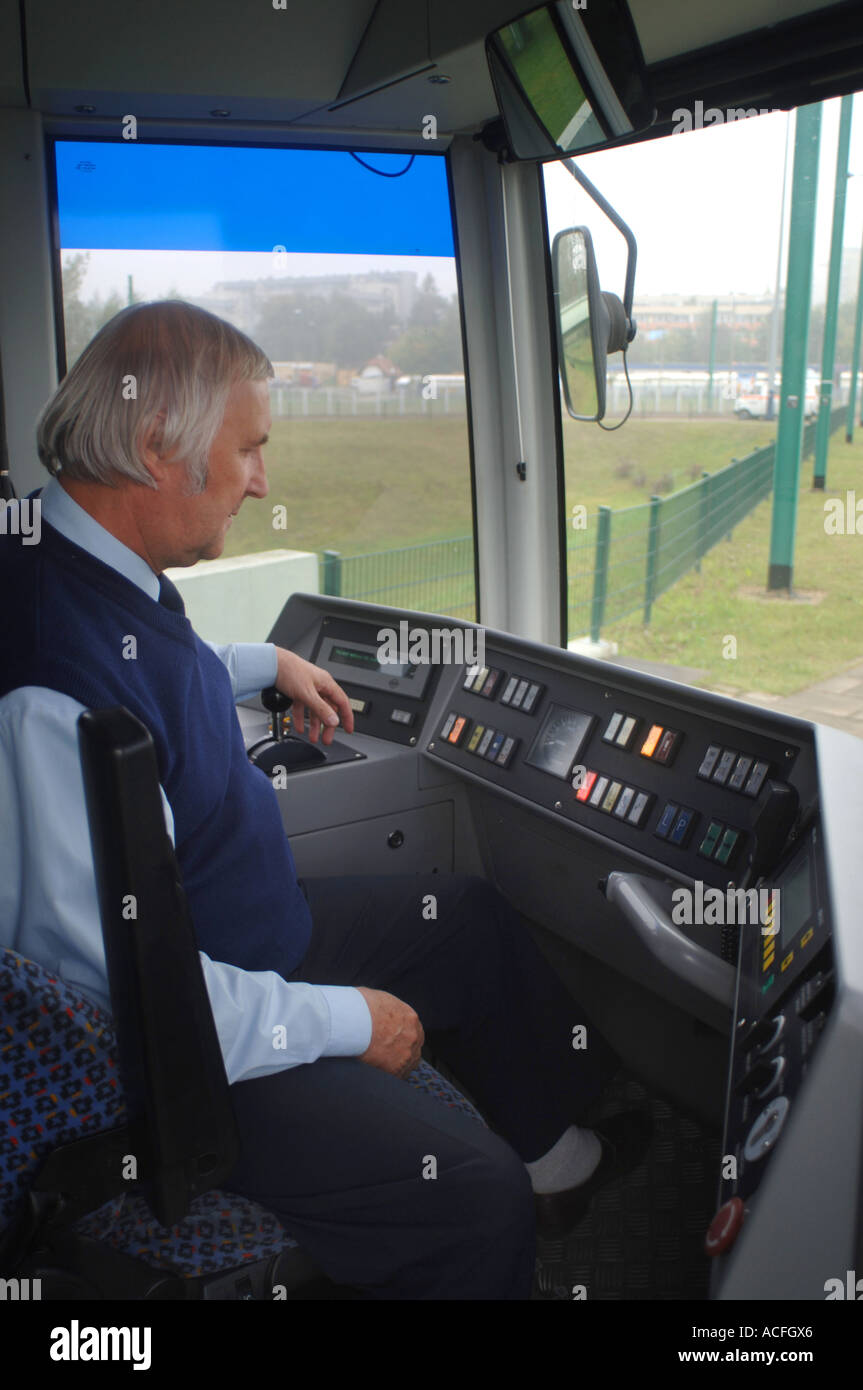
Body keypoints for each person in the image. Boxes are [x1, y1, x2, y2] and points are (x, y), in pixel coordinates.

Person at [0, 301, 650, 1299]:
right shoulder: (48, 689)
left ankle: (556, 1160)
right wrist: (348, 1021)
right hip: (185, 1058)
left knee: (464, 918)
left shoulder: (78, 561)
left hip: (247, 933)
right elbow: (130, 1003)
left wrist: (264, 661)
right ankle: (509, 1192)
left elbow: (149, 670)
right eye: (249, 449)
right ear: (154, 446)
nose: (263, 481)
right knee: (469, 1196)